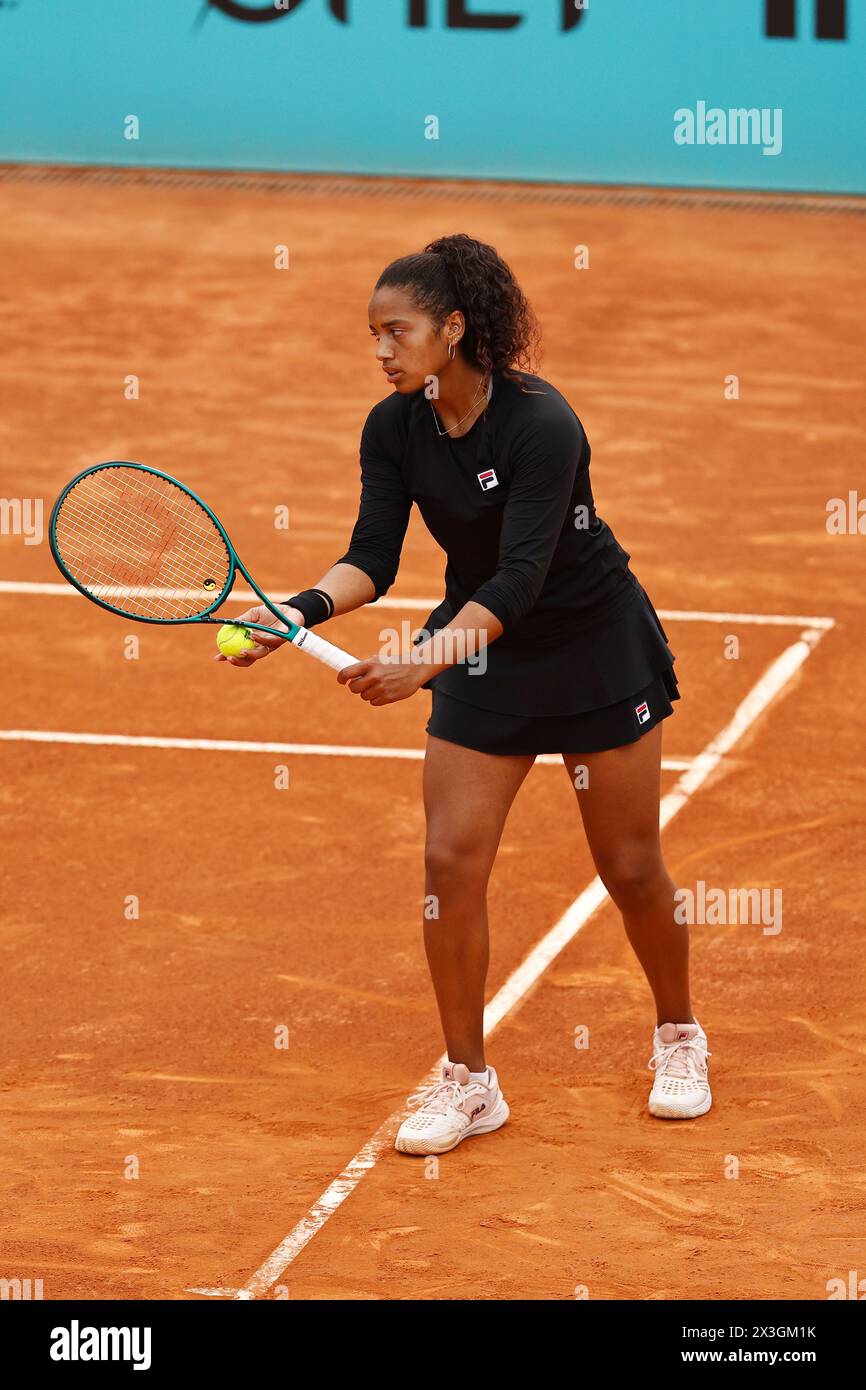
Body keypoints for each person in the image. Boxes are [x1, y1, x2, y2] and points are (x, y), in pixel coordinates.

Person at [219, 232, 712, 1156]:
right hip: (486, 655)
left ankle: (679, 1035)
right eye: (372, 334)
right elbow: (372, 556)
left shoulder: (541, 424)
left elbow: (521, 578)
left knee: (631, 867)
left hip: (589, 644)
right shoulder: (393, 426)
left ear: (453, 328)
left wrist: (422, 662)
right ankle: (469, 1081)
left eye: (395, 332)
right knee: (449, 865)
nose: (381, 352)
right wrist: (296, 611)